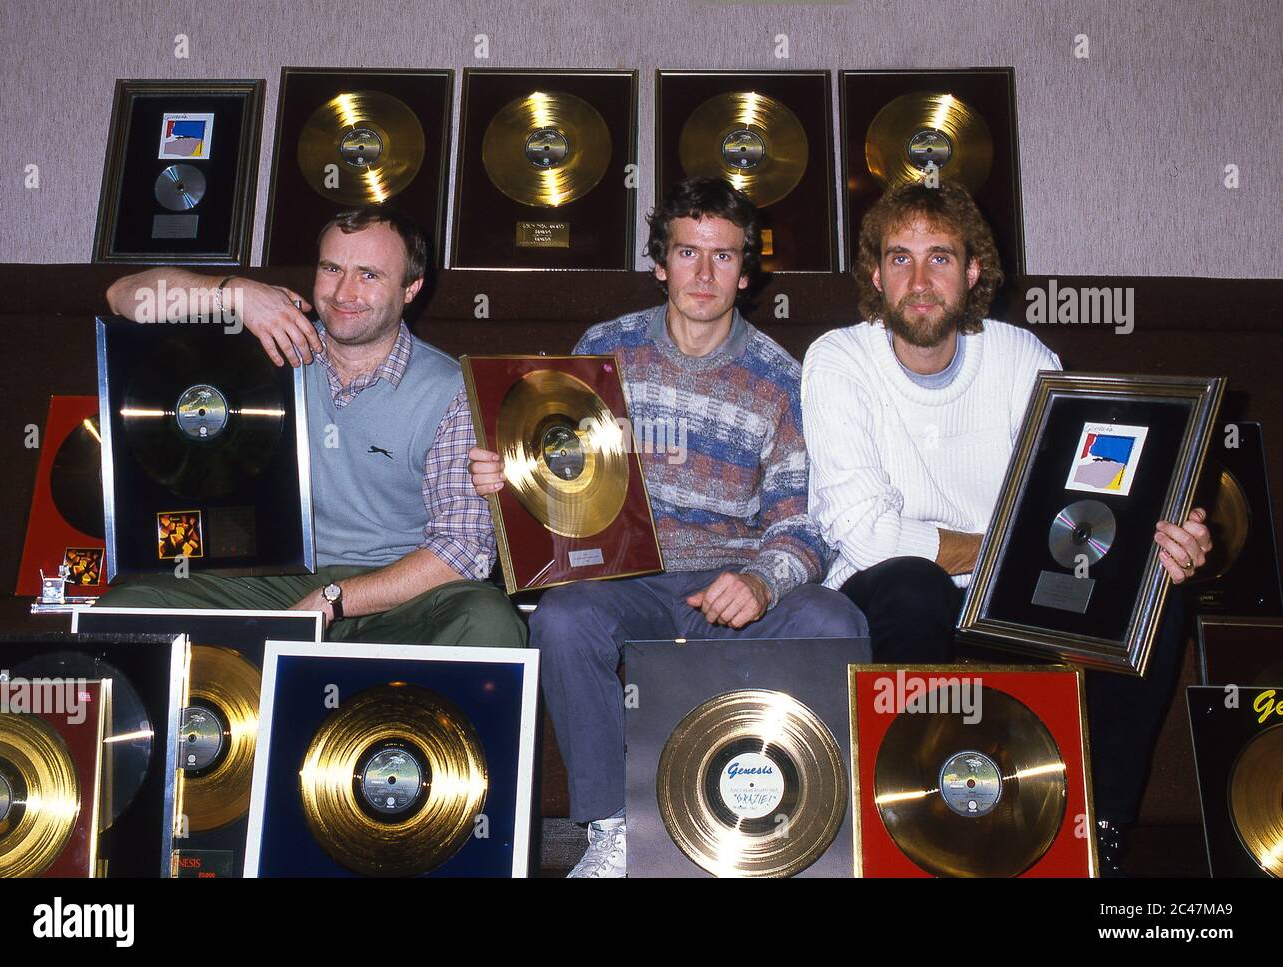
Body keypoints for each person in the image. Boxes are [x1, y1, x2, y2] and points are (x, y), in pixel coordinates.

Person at [802, 181, 1211, 872]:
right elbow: (870, 538)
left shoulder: (1023, 356)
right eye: (900, 258)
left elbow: (1078, 503)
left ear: (972, 271)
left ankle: (1099, 832)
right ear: (875, 274)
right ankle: (918, 831)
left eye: (941, 257)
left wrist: (1161, 536)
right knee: (914, 581)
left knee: (1156, 588)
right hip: (887, 593)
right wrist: (1012, 547)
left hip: (1011, 598)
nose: (920, 279)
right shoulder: (838, 358)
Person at [469, 177, 869, 877]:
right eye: (687, 253)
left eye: (723, 256)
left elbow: (804, 522)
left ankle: (809, 827)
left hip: (730, 574)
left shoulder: (779, 377)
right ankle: (611, 828)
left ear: (747, 272)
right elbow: (561, 477)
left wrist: (760, 580)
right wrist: (508, 480)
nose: (704, 273)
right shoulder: (605, 346)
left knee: (836, 618)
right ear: (660, 263)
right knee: (561, 620)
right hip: (626, 579)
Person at [99, 207, 526, 648]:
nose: (344, 292)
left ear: (411, 288)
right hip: (273, 579)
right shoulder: (270, 342)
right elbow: (122, 296)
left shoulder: (452, 389)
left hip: (401, 590)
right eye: (332, 268)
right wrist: (235, 293)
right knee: (125, 610)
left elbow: (463, 551)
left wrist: (336, 598)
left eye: (369, 275)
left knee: (488, 621)